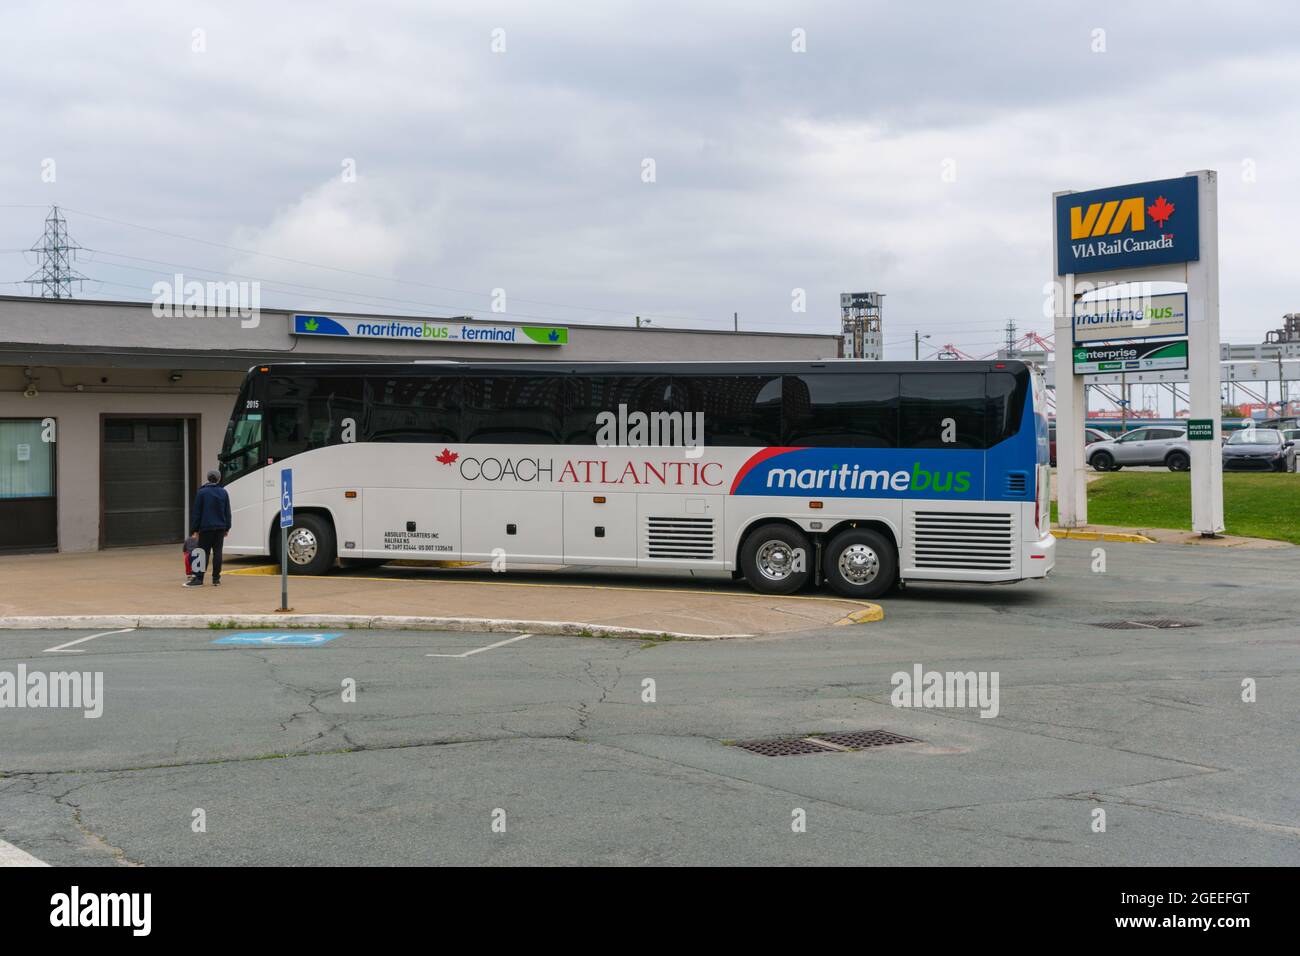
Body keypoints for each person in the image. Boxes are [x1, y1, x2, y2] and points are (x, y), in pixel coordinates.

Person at [186, 470, 232, 587]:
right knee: (217, 553)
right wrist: (227, 527)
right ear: (218, 479)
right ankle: (216, 579)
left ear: (208, 478)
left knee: (203, 553)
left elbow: (197, 513)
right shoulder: (223, 492)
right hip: (220, 528)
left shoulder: (202, 493)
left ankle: (199, 579)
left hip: (206, 528)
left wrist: (194, 530)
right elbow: (227, 512)